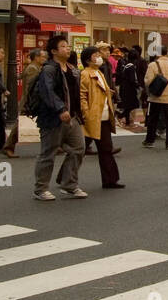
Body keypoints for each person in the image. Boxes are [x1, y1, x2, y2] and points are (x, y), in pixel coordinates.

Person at [33, 33, 86, 201]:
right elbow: (46, 91)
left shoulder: (72, 69)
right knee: (48, 153)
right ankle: (41, 189)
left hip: (72, 117)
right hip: (53, 118)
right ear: (54, 51)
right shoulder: (49, 69)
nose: (67, 48)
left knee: (78, 148)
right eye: (63, 46)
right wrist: (60, 108)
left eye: (68, 46)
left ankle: (69, 184)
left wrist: (78, 112)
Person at [78, 45, 122, 190]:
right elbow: (82, 95)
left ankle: (110, 180)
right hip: (92, 117)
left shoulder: (99, 72)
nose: (99, 57)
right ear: (87, 59)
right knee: (78, 151)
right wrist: (86, 113)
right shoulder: (86, 74)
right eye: (95, 55)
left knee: (106, 149)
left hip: (102, 117)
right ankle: (65, 177)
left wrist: (108, 92)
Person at [2, 48, 46, 158]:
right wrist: (31, 102)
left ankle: (56, 145)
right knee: (19, 125)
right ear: (36, 57)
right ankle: (8, 147)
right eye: (42, 56)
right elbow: (30, 87)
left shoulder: (33, 67)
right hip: (29, 102)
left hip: (29, 101)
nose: (44, 59)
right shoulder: (32, 69)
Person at [142, 48, 168, 149]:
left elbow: (147, 81)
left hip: (155, 97)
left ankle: (150, 140)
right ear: (167, 53)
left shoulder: (152, 65)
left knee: (153, 119)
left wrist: (150, 90)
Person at [117, 45, 143, 127]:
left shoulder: (126, 65)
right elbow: (132, 79)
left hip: (124, 87)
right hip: (130, 89)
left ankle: (127, 121)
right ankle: (120, 115)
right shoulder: (131, 67)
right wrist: (138, 85)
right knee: (133, 105)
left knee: (127, 106)